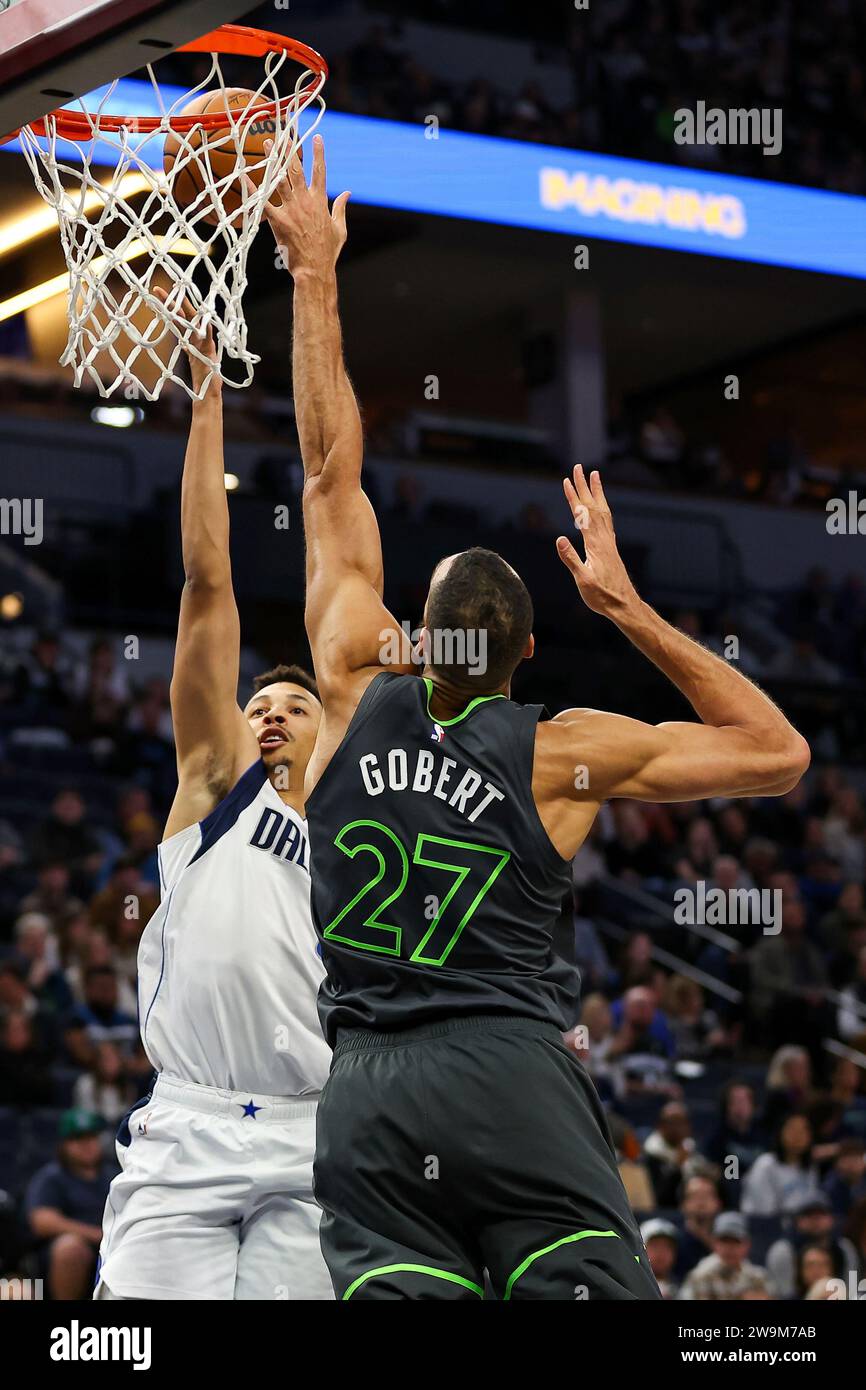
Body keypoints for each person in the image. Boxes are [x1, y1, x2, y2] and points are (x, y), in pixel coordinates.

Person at [270, 134, 809, 1300]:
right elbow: (778, 752)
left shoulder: (355, 682)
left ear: (413, 626)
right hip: (511, 1076)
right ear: (524, 656)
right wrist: (625, 609)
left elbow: (326, 470)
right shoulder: (560, 751)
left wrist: (313, 273)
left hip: (364, 1089)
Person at [94, 302, 332, 1302]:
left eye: (296, 703)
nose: (271, 714)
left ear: (330, 735)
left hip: (314, 1134)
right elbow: (206, 580)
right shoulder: (212, 789)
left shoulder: (362, 831)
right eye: (258, 703)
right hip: (186, 1124)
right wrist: (205, 401)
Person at [26, 1109, 113, 1301]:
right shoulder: (51, 1177)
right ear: (64, 1144)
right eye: (78, 1139)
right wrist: (96, 1235)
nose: (86, 1145)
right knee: (71, 1248)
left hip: (111, 1245)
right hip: (67, 1251)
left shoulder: (113, 1176)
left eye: (91, 1137)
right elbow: (42, 1222)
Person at [678, 1212, 772, 1300]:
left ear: (747, 1245)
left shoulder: (758, 1278)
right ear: (714, 1242)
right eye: (725, 1241)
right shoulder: (700, 1276)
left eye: (736, 1241)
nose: (730, 1248)